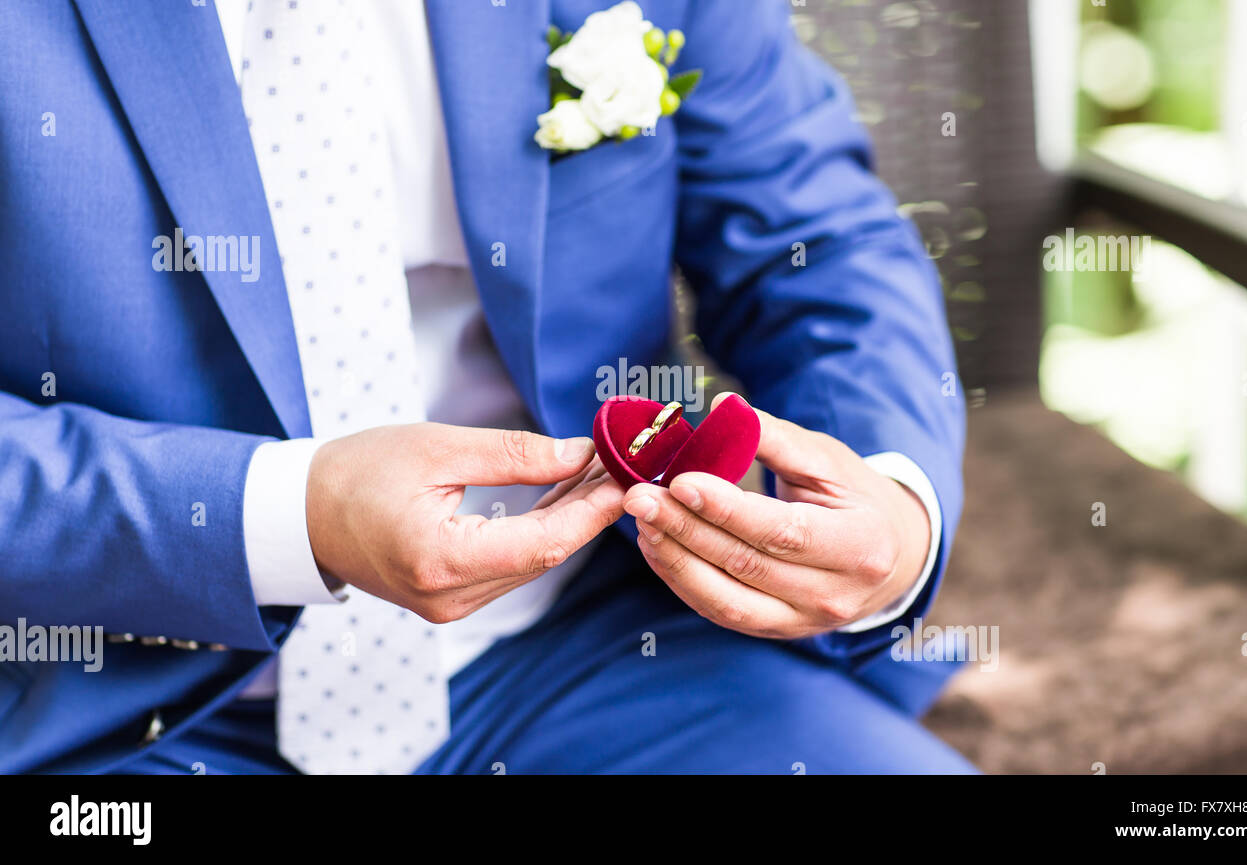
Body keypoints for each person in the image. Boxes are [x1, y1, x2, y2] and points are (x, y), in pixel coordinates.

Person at [0, 0, 972, 773]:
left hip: (597, 645)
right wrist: (291, 518)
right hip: (104, 697)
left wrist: (896, 507)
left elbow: (814, 240)